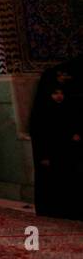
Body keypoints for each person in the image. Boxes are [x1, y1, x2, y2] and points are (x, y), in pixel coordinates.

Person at [30, 83, 82, 219]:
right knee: (54, 182)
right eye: (55, 93)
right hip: (51, 154)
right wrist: (44, 156)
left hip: (67, 153)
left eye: (61, 93)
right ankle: (54, 210)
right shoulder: (43, 112)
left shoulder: (67, 109)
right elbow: (41, 136)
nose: (59, 96)